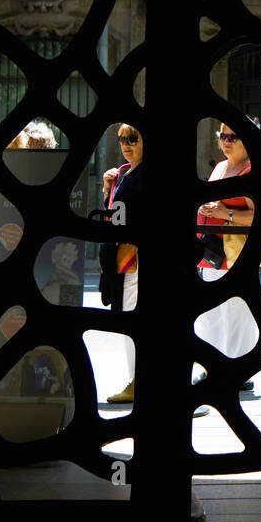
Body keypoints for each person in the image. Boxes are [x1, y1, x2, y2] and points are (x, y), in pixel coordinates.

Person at [196, 123, 261, 392]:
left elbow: (259, 216)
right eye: (222, 136)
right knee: (210, 312)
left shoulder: (251, 170)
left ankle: (241, 371)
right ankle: (211, 365)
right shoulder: (221, 167)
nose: (226, 141)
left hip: (238, 253)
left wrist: (223, 213)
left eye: (233, 137)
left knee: (238, 312)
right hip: (212, 251)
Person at [101, 124, 144, 404]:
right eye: (121, 140)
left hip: (136, 260)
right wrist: (108, 188)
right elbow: (113, 213)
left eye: (132, 139)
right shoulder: (124, 173)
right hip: (122, 261)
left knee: (133, 320)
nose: (125, 144)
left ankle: (138, 383)